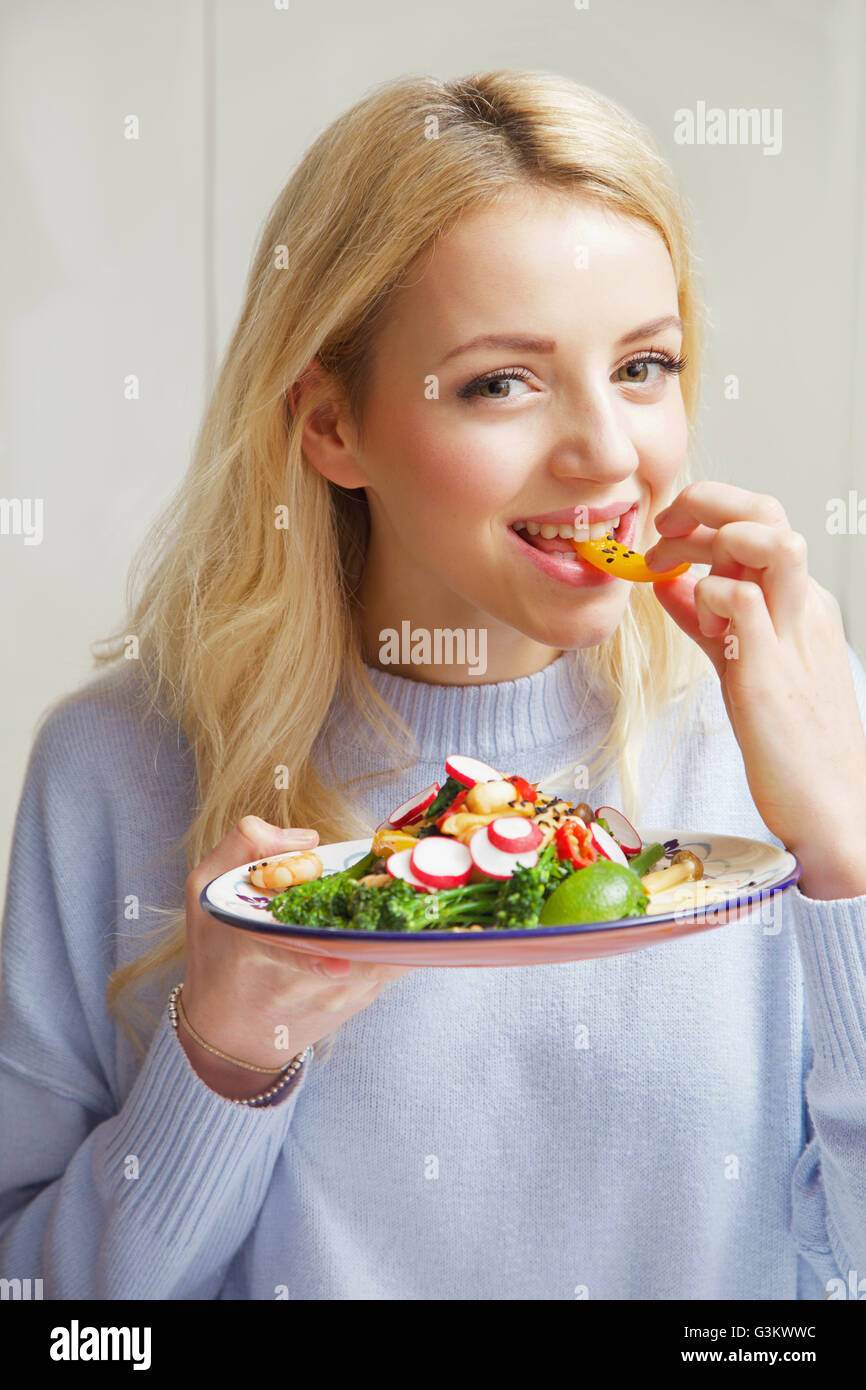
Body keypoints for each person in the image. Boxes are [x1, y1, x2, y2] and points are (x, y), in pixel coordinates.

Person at [1, 70, 865, 1301]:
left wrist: (843, 865)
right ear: (330, 425)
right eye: (499, 383)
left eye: (642, 366)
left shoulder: (797, 717)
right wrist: (224, 1064)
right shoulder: (115, 766)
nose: (608, 456)